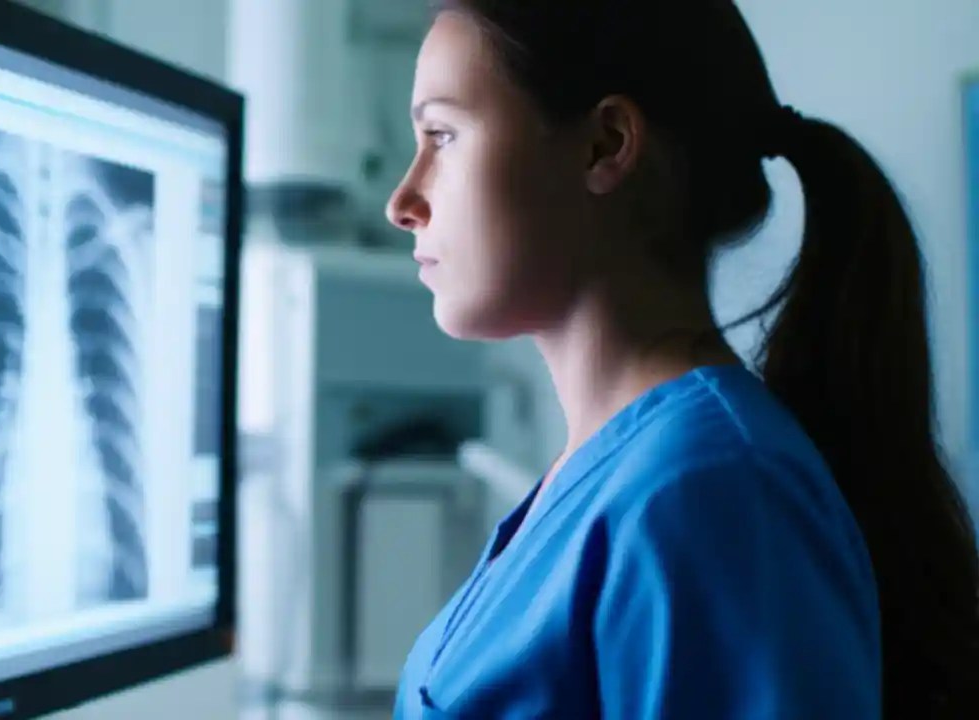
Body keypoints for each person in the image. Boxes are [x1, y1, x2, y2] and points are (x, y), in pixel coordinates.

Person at [383, 1, 979, 718]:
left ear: (605, 145)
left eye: (442, 135)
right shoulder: (629, 474)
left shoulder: (709, 491)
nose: (403, 200)